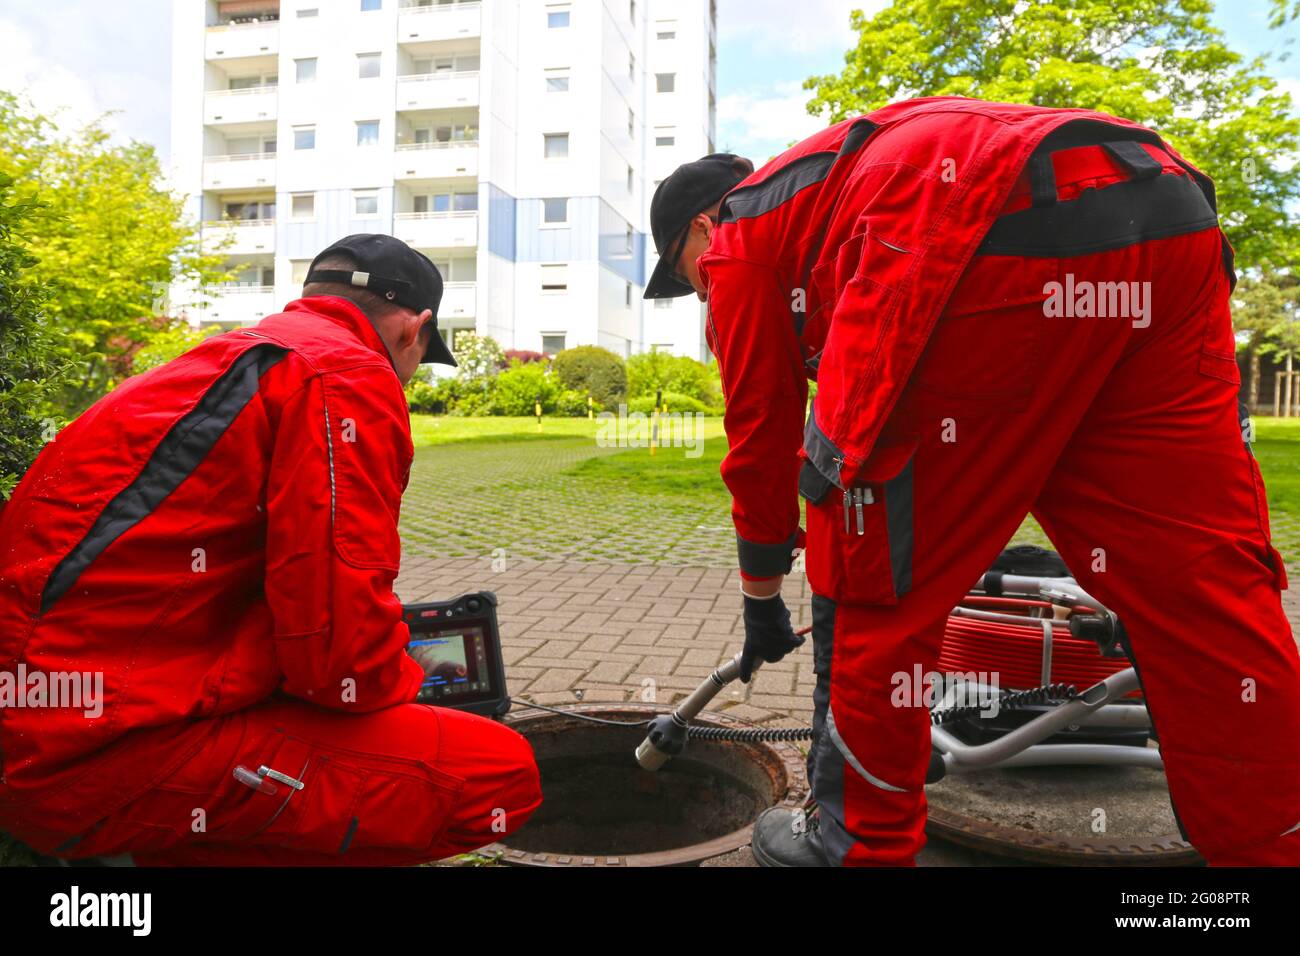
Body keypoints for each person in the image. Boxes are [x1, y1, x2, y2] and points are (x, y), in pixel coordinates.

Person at [645, 97, 1300, 866]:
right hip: (1161, 208)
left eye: (690, 281)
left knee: (867, 548)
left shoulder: (744, 234)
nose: (703, 297)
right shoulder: (833, 181)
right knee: (1199, 575)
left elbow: (761, 434)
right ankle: (1271, 842)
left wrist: (761, 595)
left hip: (988, 230)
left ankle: (855, 841)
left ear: (700, 229)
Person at [0, 234, 541, 865]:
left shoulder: (220, 361)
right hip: (90, 762)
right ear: (413, 329)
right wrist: (410, 681)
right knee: (495, 773)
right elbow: (341, 666)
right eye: (422, 355)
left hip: (44, 720)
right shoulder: (347, 374)